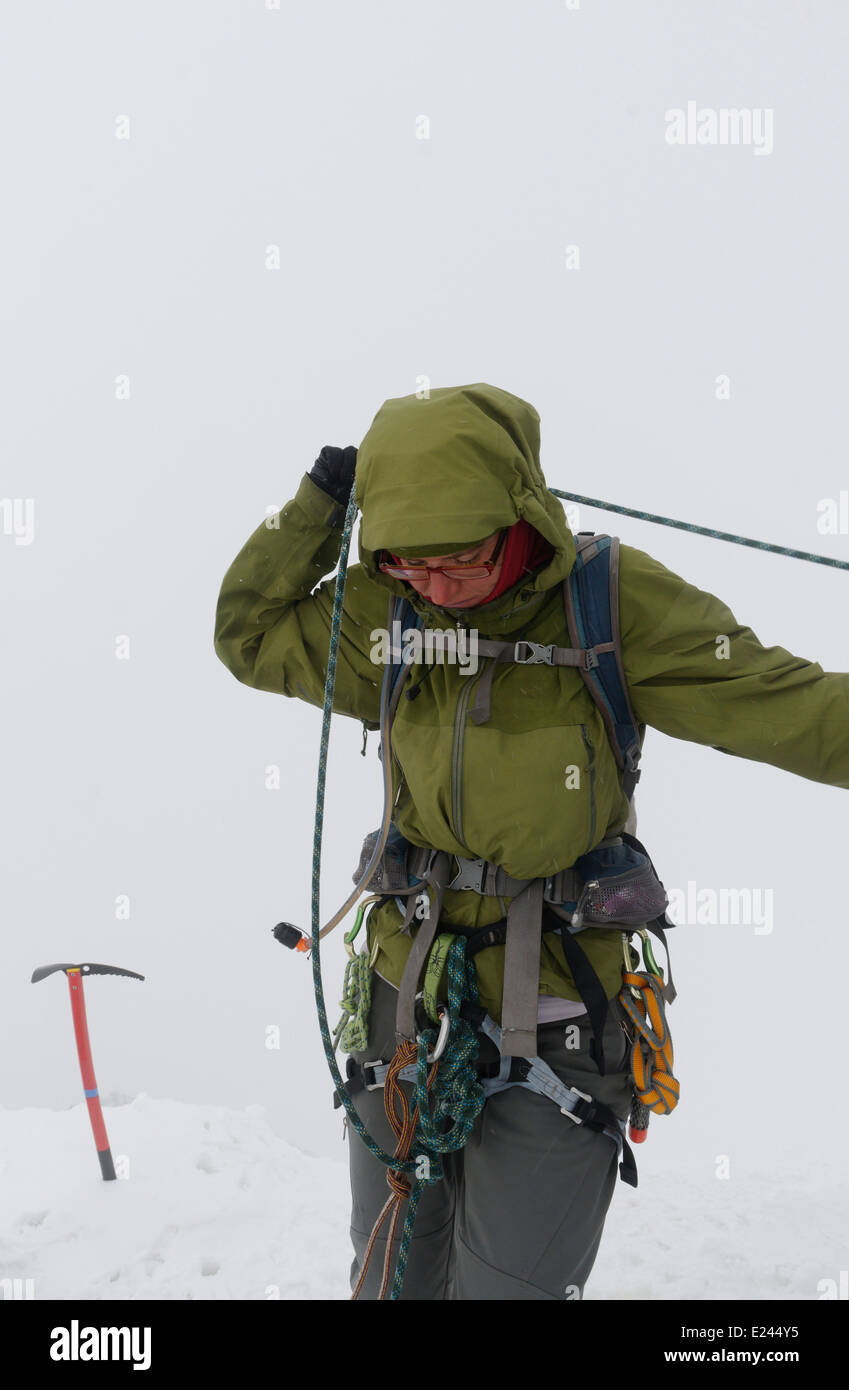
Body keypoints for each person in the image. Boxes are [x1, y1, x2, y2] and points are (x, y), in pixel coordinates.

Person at [214, 381, 849, 1301]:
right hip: (408, 1000)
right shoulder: (387, 614)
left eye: (458, 563)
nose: (433, 587)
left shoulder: (608, 605)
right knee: (388, 1270)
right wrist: (316, 508)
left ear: (518, 519)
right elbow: (246, 632)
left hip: (558, 1010)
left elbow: (790, 706)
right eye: (403, 563)